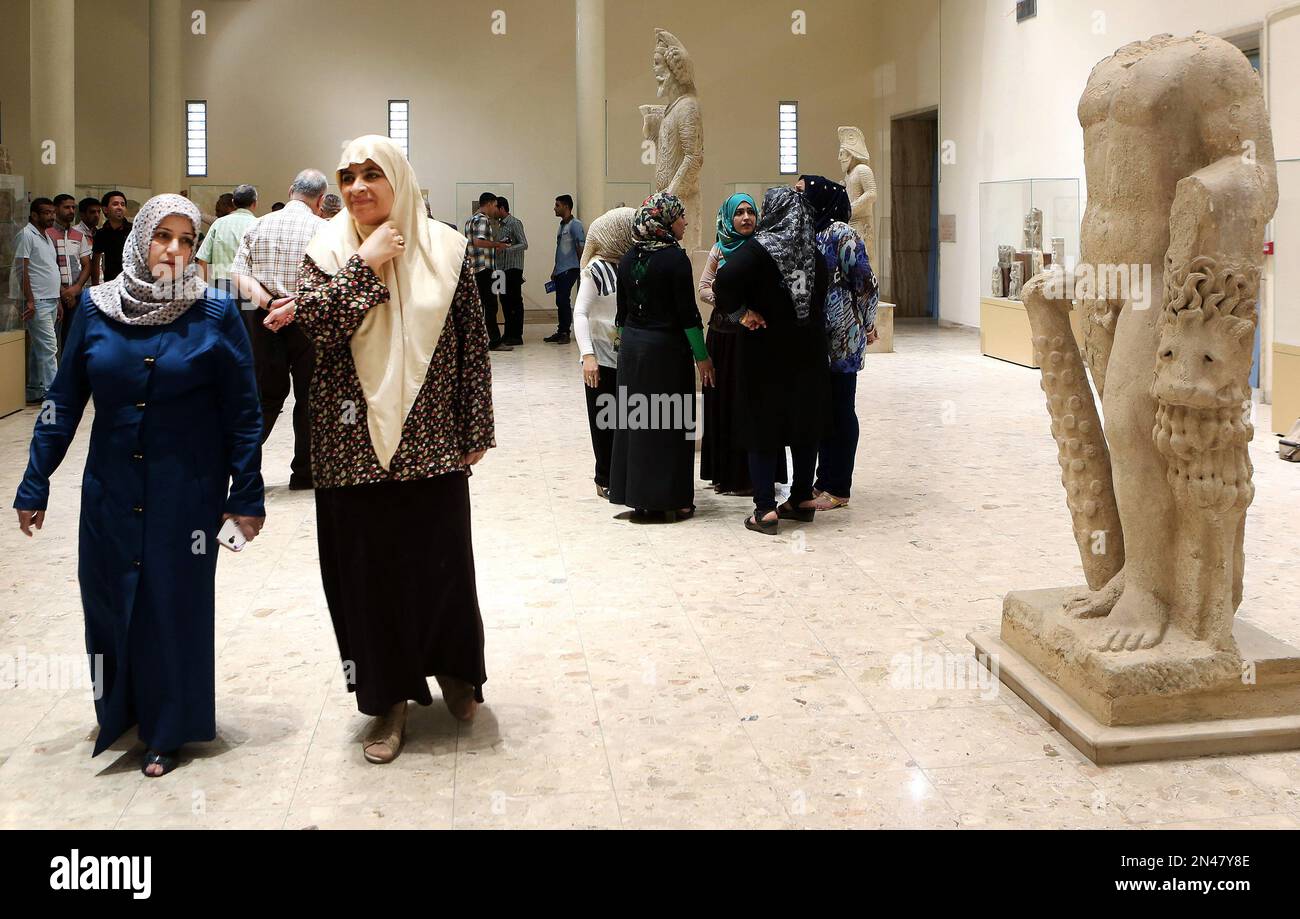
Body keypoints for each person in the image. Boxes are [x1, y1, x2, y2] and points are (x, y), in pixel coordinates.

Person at [13, 194, 265, 777]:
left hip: (186, 492)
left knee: (172, 605)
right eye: (163, 237)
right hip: (110, 486)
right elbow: (63, 401)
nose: (175, 251)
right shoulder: (98, 311)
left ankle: (170, 726)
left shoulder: (215, 312)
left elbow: (244, 413)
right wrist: (35, 480)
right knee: (107, 601)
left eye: (186, 240)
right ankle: (120, 709)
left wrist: (245, 497)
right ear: (140, 240)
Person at [272, 135, 495, 764]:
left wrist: (474, 428)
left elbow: (471, 347)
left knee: (441, 563)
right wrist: (365, 263)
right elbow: (314, 325)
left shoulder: (447, 248)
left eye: (373, 174)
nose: (358, 187)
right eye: (347, 176)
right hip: (350, 444)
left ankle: (455, 670)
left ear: (399, 179)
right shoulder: (327, 250)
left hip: (431, 440)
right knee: (369, 575)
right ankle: (387, 699)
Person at [713, 186, 829, 536]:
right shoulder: (814, 253)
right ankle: (800, 498)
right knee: (804, 427)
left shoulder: (759, 250)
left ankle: (765, 510)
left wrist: (741, 313)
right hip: (808, 353)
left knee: (763, 426)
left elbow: (724, 281)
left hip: (766, 354)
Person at [607, 192, 713, 519]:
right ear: (665, 221)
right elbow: (687, 315)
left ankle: (637, 495)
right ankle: (673, 498)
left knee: (638, 423)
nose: (685, 221)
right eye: (680, 216)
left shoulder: (626, 259)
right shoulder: (674, 259)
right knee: (671, 423)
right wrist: (702, 357)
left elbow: (621, 316)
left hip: (633, 353)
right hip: (665, 352)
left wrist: (623, 351)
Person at [230, 169, 327, 490]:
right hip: (308, 321)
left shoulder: (258, 225)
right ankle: (305, 473)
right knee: (309, 397)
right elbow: (332, 281)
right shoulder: (323, 229)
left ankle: (238, 466)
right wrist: (292, 305)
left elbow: (239, 277)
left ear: (290, 191)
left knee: (265, 397)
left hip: (262, 320)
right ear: (321, 200)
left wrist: (271, 304)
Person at [796, 174, 879, 511]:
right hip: (816, 336)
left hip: (843, 335)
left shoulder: (841, 233)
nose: (797, 197)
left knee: (841, 408)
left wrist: (868, 323)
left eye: (802, 192)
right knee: (822, 407)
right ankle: (822, 478)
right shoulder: (809, 231)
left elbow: (866, 283)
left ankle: (838, 486)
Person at [698, 192, 783, 496]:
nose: (746, 218)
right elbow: (704, 288)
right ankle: (726, 475)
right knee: (724, 403)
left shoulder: (765, 249)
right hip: (724, 336)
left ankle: (752, 477)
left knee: (750, 405)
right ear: (728, 217)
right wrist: (734, 308)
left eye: (750, 212)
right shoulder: (719, 249)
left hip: (756, 337)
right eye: (739, 213)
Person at [574, 206, 636, 498]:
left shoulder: (628, 264)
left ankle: (623, 474)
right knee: (603, 418)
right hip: (600, 357)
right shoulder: (595, 269)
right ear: (617, 233)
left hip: (624, 354)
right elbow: (580, 313)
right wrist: (588, 356)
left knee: (624, 418)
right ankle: (605, 476)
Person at [14, 198, 62, 403]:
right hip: (38, 300)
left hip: (50, 299)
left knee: (38, 348)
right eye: (46, 213)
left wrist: (58, 299)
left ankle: (35, 390)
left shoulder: (47, 237)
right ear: (34, 215)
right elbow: (21, 269)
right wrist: (30, 300)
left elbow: (50, 269)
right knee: (50, 347)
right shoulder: (26, 235)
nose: (51, 216)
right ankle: (54, 393)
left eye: (52, 212)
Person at [463, 191, 511, 352]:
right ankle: (495, 341)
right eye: (495, 205)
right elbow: (479, 241)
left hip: (473, 268)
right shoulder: (483, 219)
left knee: (479, 306)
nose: (496, 209)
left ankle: (476, 342)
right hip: (485, 268)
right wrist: (498, 245)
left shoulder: (469, 220)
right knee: (491, 305)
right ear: (489, 204)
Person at [47, 194, 93, 351]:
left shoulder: (78, 236)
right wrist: (62, 292)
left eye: (73, 207)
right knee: (51, 341)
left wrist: (76, 288)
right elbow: (46, 266)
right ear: (55, 209)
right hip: (53, 295)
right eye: (67, 207)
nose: (71, 211)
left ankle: (68, 373)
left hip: (75, 295)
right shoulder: (47, 234)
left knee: (72, 340)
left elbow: (87, 265)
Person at [196, 184, 258, 289]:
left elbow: (203, 260)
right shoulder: (259, 225)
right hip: (250, 287)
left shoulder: (218, 224)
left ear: (233, 202)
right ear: (255, 203)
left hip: (221, 286)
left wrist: (203, 291)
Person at [544, 194, 585, 344]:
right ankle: (561, 330)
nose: (554, 208)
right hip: (561, 269)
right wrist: (555, 269)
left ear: (566, 207)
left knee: (563, 300)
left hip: (571, 268)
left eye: (557, 205)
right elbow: (560, 248)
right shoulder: (561, 226)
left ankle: (565, 332)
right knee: (560, 301)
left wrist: (583, 267)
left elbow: (581, 246)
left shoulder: (575, 225)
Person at [494, 196, 528, 346]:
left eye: (495, 207)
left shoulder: (515, 223)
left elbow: (524, 244)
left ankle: (517, 335)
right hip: (500, 269)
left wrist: (507, 249)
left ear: (502, 208)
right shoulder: (499, 226)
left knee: (515, 301)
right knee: (504, 301)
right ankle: (507, 334)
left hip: (513, 268)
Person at [91, 190, 131, 284]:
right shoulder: (101, 233)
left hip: (131, 282)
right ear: (105, 209)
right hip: (110, 283)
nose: (120, 207)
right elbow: (96, 262)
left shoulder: (133, 230)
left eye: (122, 204)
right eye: (115, 204)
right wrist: (96, 286)